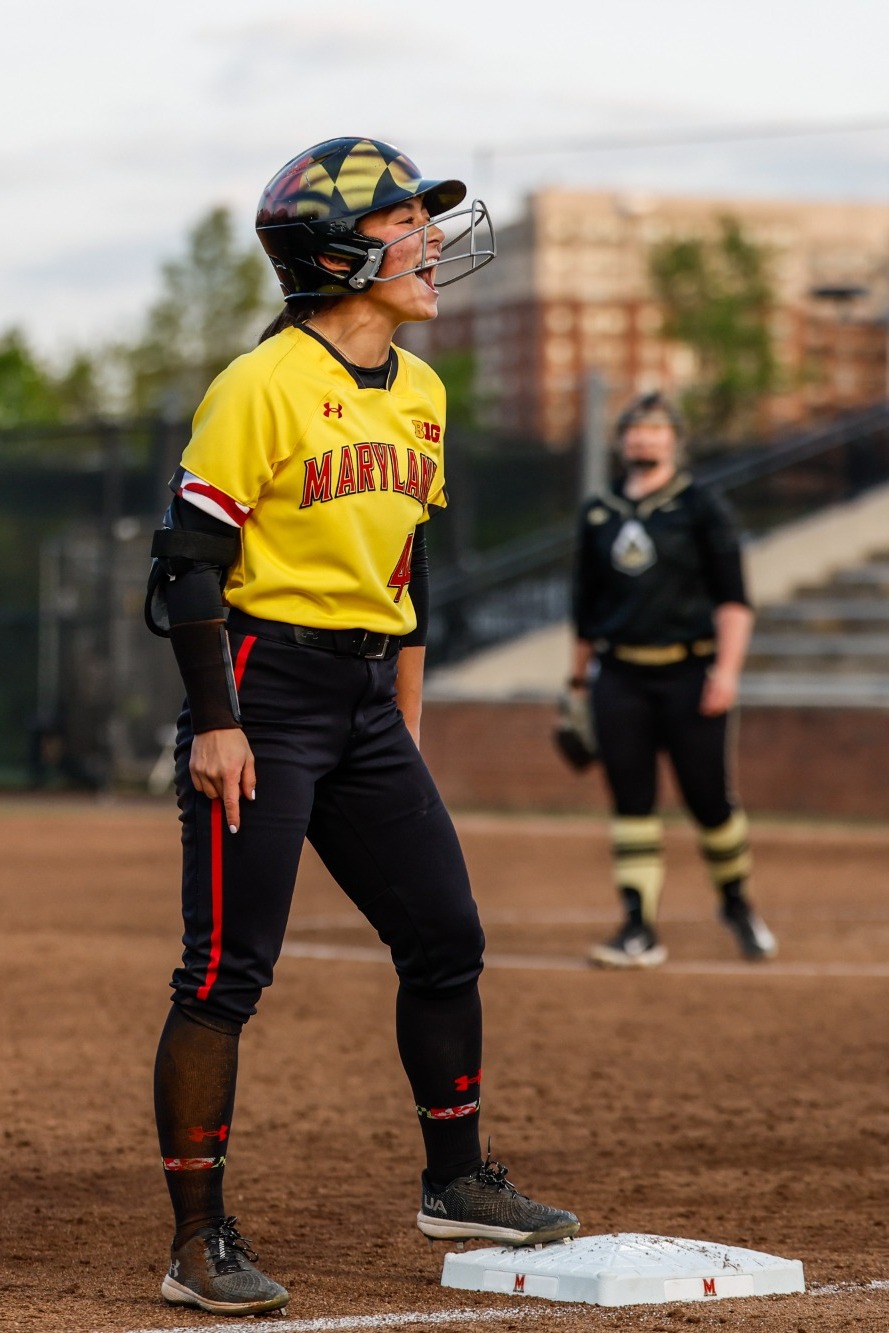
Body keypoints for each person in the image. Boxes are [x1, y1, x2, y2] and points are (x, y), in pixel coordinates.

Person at [145, 137, 579, 1318]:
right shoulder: (260, 383)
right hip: (261, 688)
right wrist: (218, 725)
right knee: (224, 972)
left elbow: (409, 566)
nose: (430, 237)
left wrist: (407, 716)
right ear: (335, 254)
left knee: (444, 935)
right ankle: (196, 1240)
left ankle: (456, 1180)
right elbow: (189, 562)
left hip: (365, 699)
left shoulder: (423, 390)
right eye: (403, 220)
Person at [567, 390, 777, 970]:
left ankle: (736, 904)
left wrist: (726, 673)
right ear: (621, 440)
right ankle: (638, 927)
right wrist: (576, 685)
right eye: (635, 429)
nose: (645, 437)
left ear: (675, 441)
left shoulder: (702, 505)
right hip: (620, 676)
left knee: (709, 800)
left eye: (657, 429)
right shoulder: (599, 509)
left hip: (690, 674)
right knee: (631, 802)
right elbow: (584, 607)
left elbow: (734, 599)